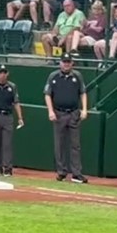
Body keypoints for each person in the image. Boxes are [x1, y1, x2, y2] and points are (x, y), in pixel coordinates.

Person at [44, 53, 89, 183]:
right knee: (59, 144)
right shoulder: (53, 76)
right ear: (60, 63)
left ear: (72, 63)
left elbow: (83, 93)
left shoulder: (77, 76)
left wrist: (85, 109)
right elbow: (47, 94)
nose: (66, 64)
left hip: (74, 113)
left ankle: (76, 173)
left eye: (68, 62)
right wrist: (50, 111)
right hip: (59, 113)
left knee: (75, 144)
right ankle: (61, 172)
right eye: (64, 62)